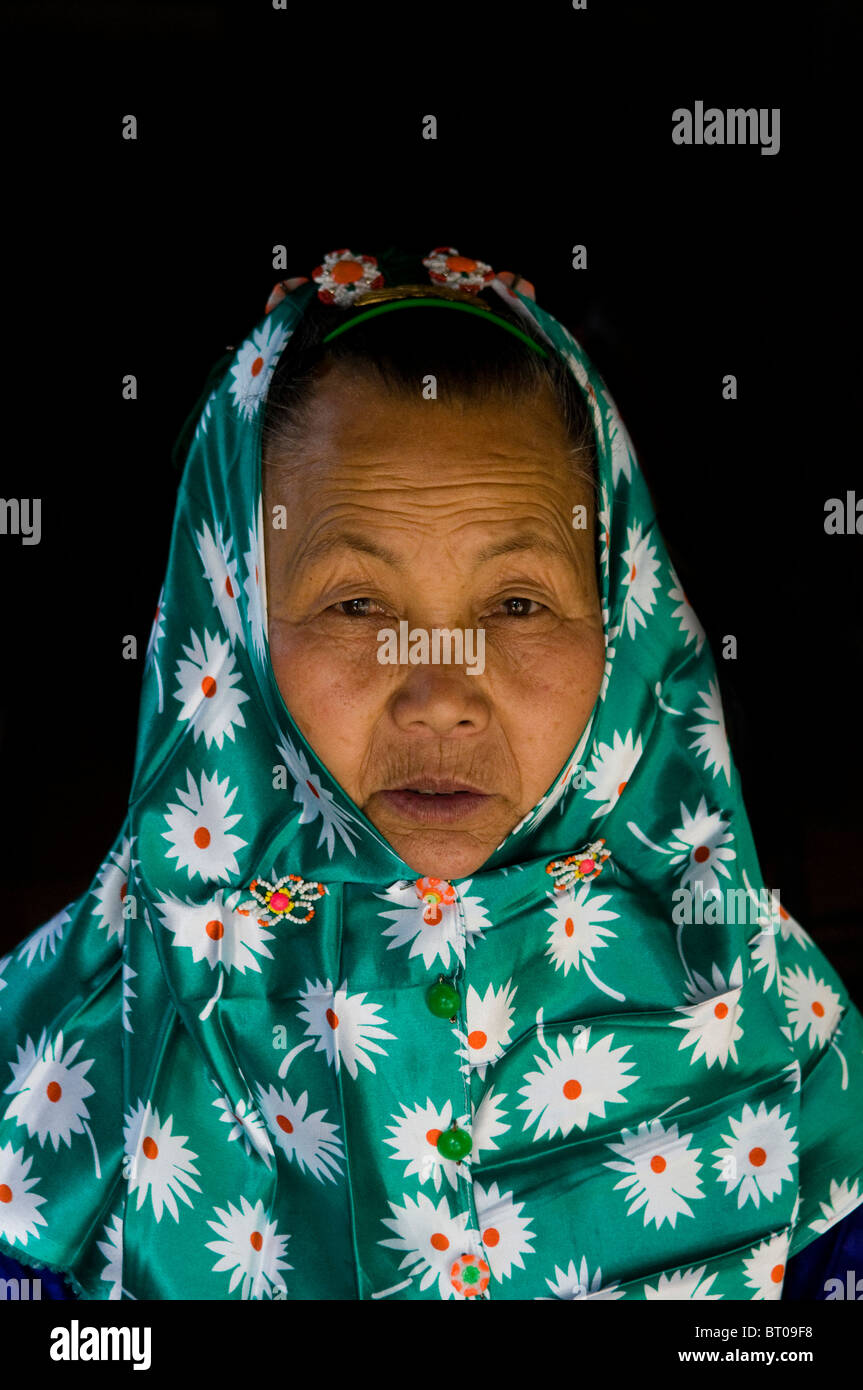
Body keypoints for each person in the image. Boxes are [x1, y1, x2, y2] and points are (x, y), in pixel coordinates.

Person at [0, 246, 860, 1301]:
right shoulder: (50, 1070)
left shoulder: (782, 1030)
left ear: (622, 622)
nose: (440, 688)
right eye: (356, 604)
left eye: (516, 604)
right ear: (229, 627)